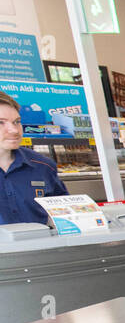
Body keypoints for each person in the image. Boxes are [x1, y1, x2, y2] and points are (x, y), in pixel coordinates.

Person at [0, 90, 68, 226]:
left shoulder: (43, 166)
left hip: (42, 246)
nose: (14, 130)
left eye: (16, 122)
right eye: (1, 123)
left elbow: (65, 215)